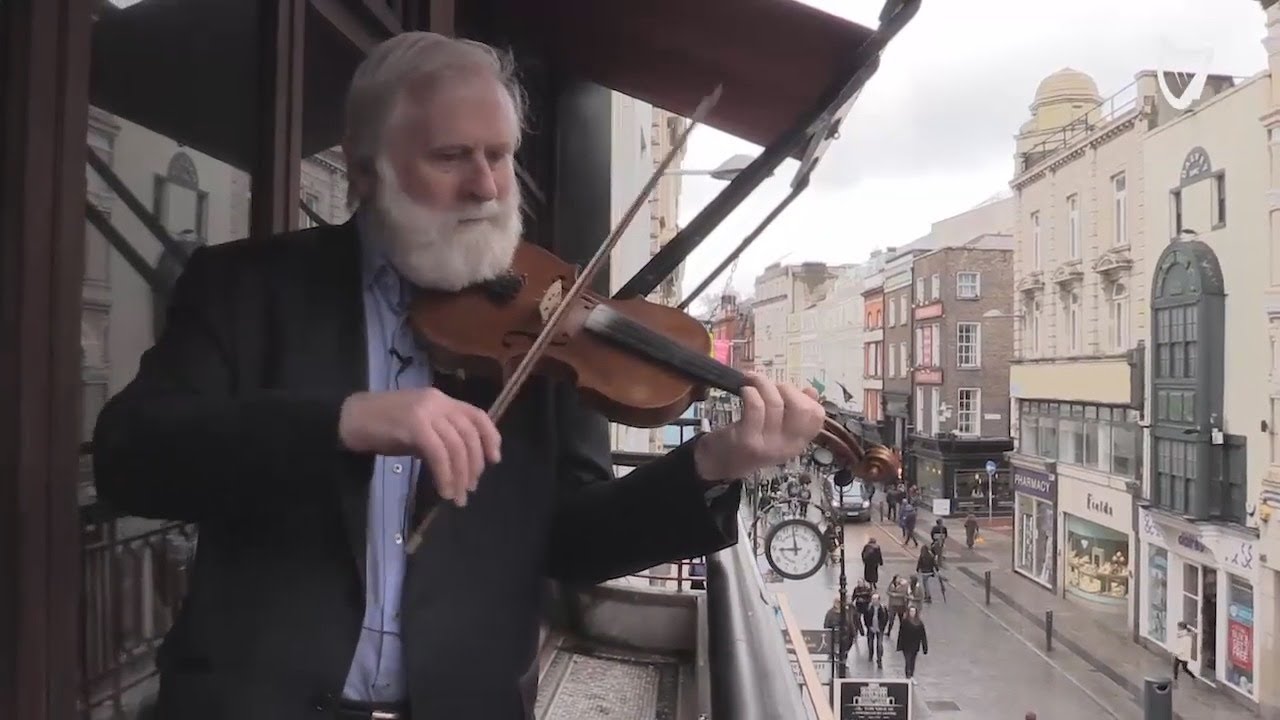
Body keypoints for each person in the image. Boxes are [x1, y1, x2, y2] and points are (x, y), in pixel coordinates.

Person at [89, 31, 830, 720]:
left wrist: (709, 465)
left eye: (500, 155)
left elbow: (573, 540)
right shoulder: (248, 287)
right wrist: (344, 421)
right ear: (365, 167)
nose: (487, 187)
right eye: (452, 157)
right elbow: (133, 455)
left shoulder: (547, 323)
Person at [859, 593, 891, 668]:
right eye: (873, 599)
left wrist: (882, 627)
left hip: (879, 629)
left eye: (875, 599)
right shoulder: (869, 608)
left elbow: (886, 618)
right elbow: (865, 618)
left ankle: (879, 659)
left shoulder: (883, 608)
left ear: (879, 600)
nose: (874, 601)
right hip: (871, 628)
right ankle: (871, 654)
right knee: (870, 643)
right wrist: (868, 626)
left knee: (879, 644)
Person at [896, 606, 928, 679]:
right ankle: (908, 675)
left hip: (915, 645)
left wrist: (924, 647)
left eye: (913, 611)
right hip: (906, 645)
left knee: (912, 661)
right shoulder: (905, 622)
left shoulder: (919, 623)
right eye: (911, 611)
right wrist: (899, 645)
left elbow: (923, 635)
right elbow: (901, 633)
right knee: (907, 660)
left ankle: (912, 675)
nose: (912, 613)